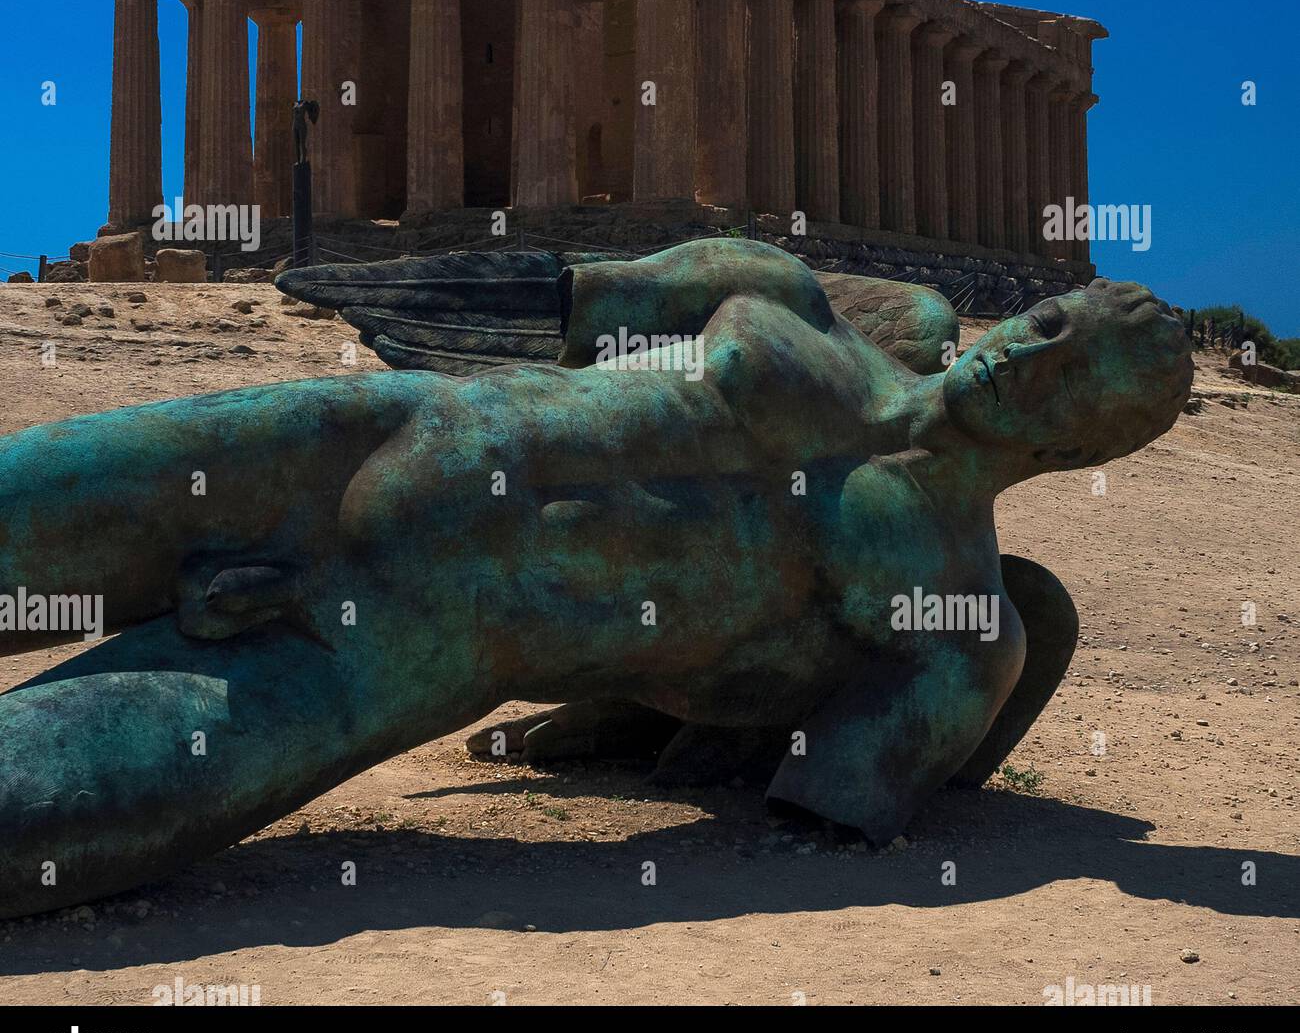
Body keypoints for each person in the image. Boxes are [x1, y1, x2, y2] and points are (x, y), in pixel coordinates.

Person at [0, 239, 1192, 918]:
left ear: (1079, 449)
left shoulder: (960, 625)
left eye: (1067, 384)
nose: (1025, 362)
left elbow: (828, 796)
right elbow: (568, 301)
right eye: (1048, 326)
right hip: (353, 442)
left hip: (397, 651)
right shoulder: (801, 306)